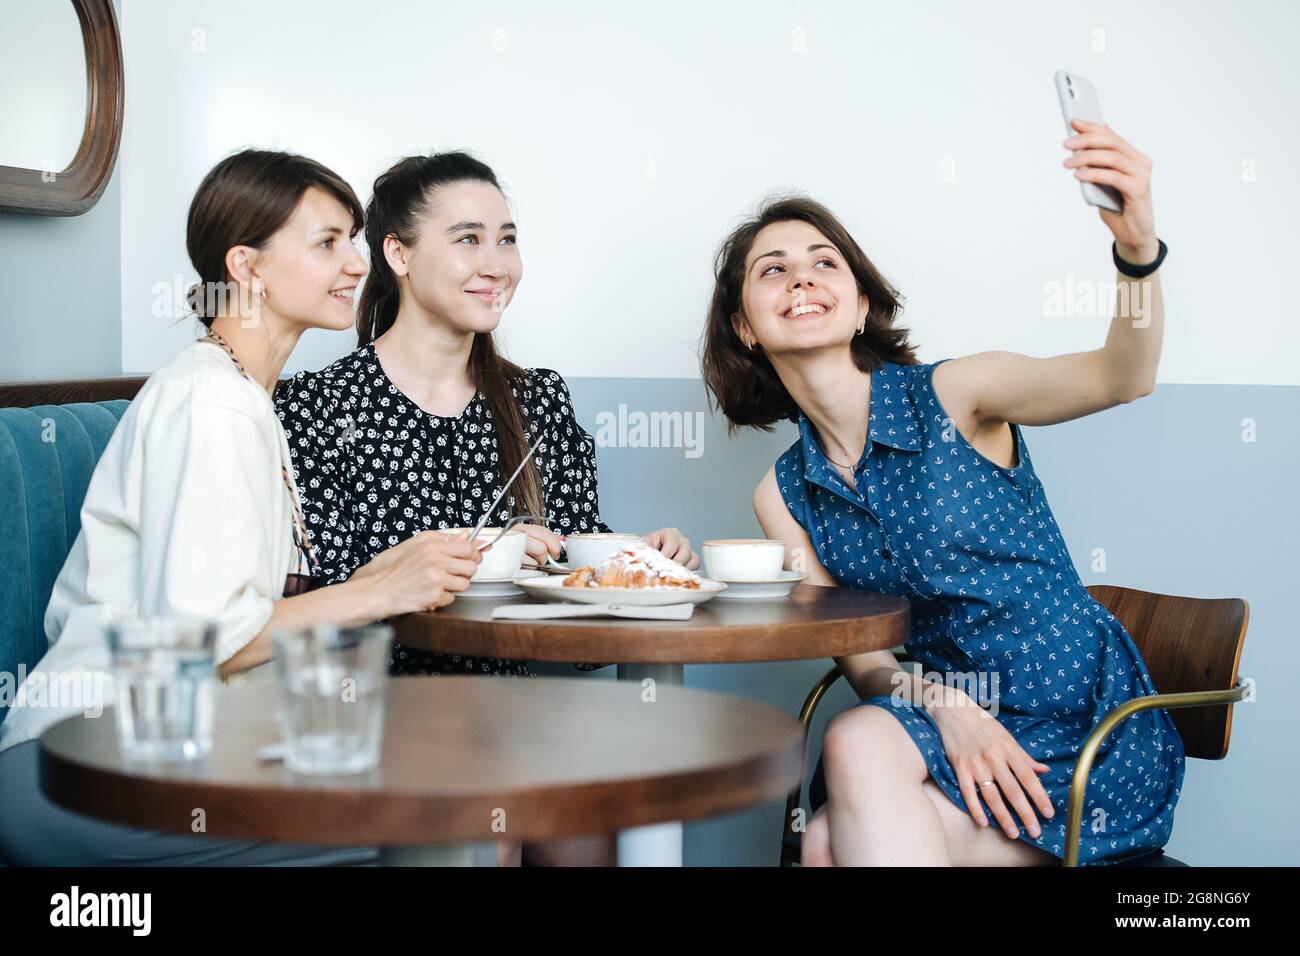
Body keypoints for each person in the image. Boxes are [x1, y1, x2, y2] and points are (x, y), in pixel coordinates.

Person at [700, 119, 1182, 866]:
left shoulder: (960, 393)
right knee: (837, 804)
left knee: (831, 827)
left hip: (1082, 732)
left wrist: (1137, 250)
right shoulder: (782, 494)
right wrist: (948, 706)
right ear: (746, 328)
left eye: (824, 262)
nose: (800, 278)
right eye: (772, 269)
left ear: (861, 306)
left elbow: (1126, 375)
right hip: (945, 729)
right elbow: (863, 660)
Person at [0, 149, 481, 865]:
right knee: (442, 811)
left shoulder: (244, 397)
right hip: (84, 761)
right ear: (247, 268)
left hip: (160, 746)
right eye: (326, 243)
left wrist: (384, 574)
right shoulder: (211, 403)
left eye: (352, 239)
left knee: (447, 784)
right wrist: (372, 591)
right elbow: (207, 641)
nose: (356, 264)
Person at [275, 150, 698, 865]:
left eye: (507, 238)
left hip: (519, 709)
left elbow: (578, 581)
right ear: (398, 253)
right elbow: (324, 598)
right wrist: (472, 554)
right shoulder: (315, 408)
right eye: (468, 238)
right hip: (377, 711)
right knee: (495, 817)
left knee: (586, 807)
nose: (497, 262)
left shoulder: (539, 401)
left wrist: (626, 560)